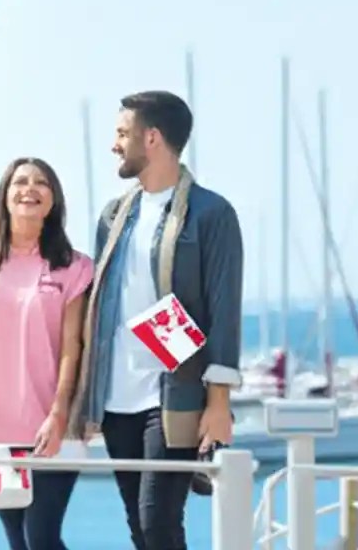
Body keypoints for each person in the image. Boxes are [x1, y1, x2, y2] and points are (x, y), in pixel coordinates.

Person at [67, 90, 243, 550]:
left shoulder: (210, 214)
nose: (114, 144)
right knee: (140, 528)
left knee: (158, 524)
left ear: (152, 138)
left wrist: (219, 403)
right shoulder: (114, 215)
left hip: (173, 393)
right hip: (116, 397)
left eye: (122, 133)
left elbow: (224, 310)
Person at [0, 157, 94, 550]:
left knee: (41, 538)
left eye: (41, 183)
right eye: (20, 181)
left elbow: (72, 348)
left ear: (54, 200)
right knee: (18, 541)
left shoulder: (74, 267)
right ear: (5, 195)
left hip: (52, 428)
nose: (29, 189)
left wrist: (59, 412)